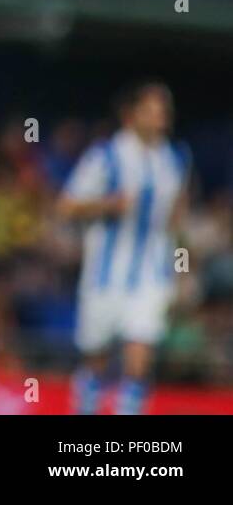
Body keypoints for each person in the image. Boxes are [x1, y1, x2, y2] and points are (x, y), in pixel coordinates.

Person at [58, 81, 191, 415]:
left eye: (165, 109)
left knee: (139, 357)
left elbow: (176, 219)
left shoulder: (175, 158)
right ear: (131, 115)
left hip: (150, 276)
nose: (162, 116)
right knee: (96, 359)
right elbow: (67, 205)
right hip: (104, 275)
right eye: (153, 109)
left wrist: (181, 266)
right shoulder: (106, 155)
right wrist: (109, 204)